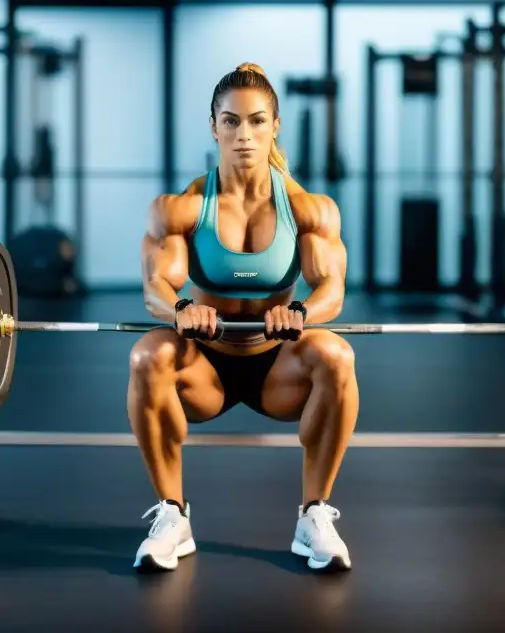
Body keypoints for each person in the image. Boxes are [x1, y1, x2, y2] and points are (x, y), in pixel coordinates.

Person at [130, 63, 358, 574]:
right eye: (231, 122)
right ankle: (172, 515)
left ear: (275, 125)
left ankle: (314, 515)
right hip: (203, 371)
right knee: (148, 354)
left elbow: (333, 291)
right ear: (213, 126)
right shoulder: (182, 209)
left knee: (337, 354)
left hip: (278, 372)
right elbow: (155, 289)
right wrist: (183, 309)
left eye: (256, 121)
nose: (244, 135)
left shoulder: (308, 210)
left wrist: (298, 311)